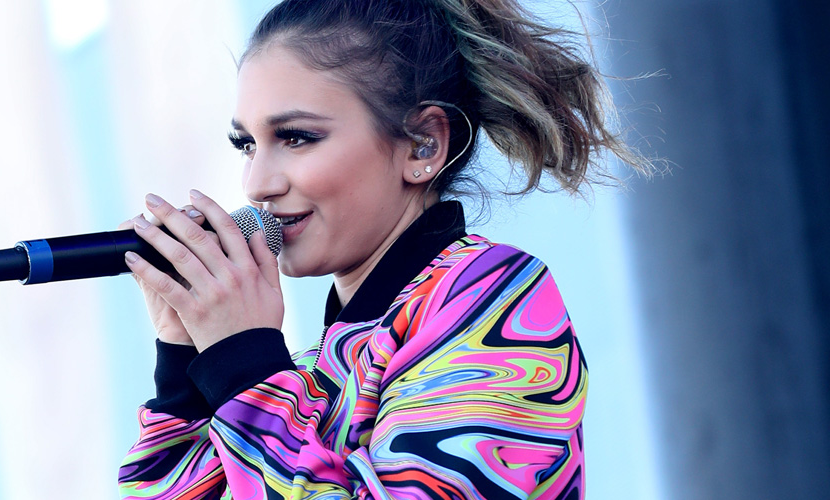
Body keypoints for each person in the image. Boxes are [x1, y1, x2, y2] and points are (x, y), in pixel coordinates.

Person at [116, 0, 651, 498]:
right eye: (247, 144)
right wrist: (185, 363)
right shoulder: (314, 367)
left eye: (296, 137)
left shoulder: (492, 299)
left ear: (422, 145)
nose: (257, 183)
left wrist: (243, 365)